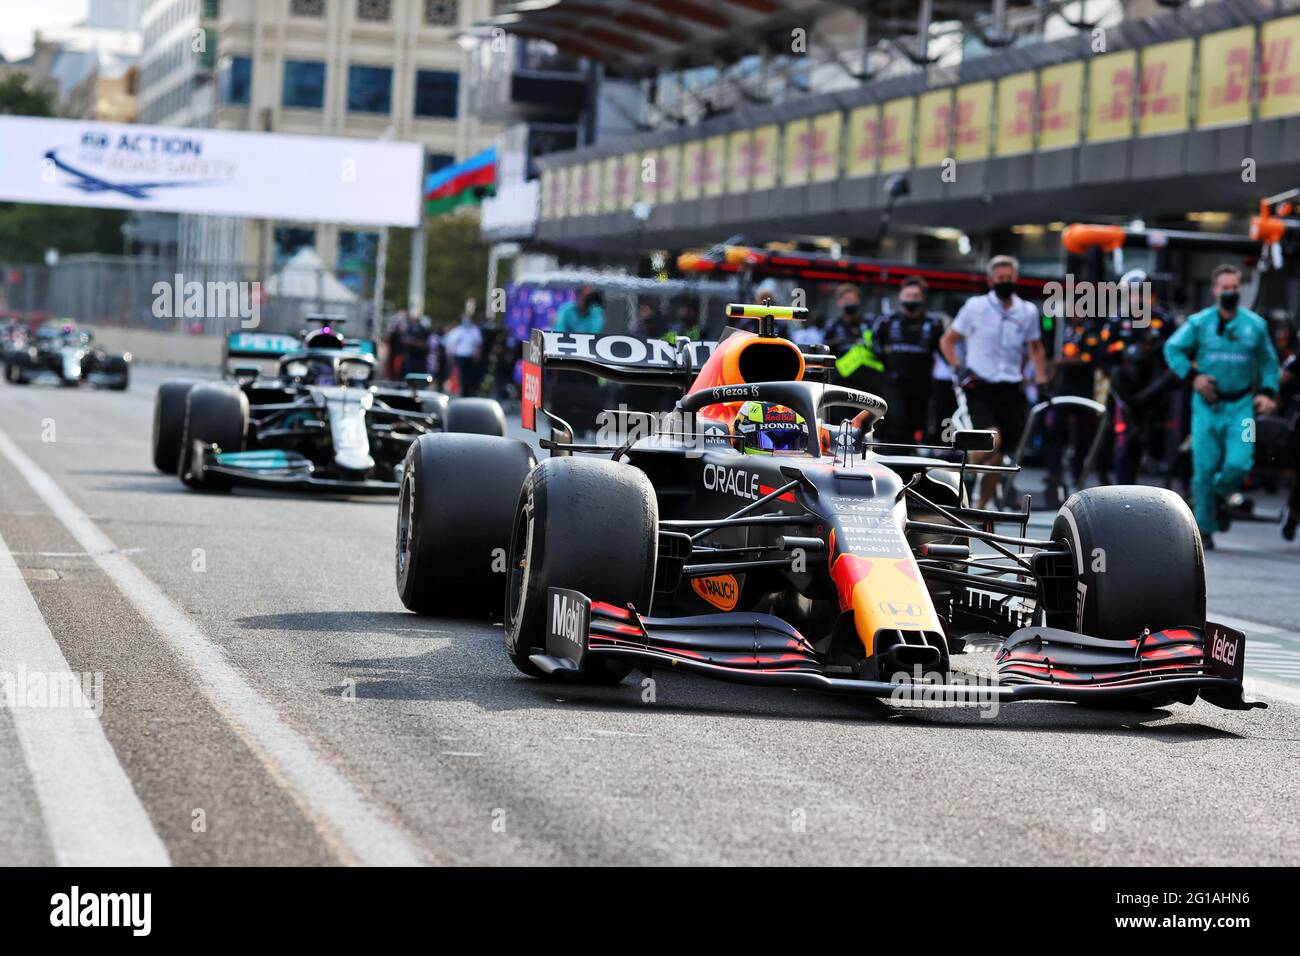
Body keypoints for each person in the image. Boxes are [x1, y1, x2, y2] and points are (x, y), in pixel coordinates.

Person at [1163, 264, 1280, 549]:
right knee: (1203, 468)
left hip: (1243, 408)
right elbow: (1172, 349)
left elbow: (1269, 363)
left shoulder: (1256, 326)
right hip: (1206, 406)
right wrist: (1194, 377)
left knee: (1242, 463)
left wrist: (1268, 392)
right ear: (1215, 290)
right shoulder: (1199, 323)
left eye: (1234, 288)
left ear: (1240, 289)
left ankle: (1218, 494)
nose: (1230, 292)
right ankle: (1205, 529)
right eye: (1224, 288)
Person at [940, 255, 1050, 509]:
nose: (1004, 282)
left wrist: (1042, 383)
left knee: (998, 458)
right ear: (990, 280)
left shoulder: (1028, 311)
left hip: (1011, 388)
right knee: (993, 440)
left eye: (1009, 278)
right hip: (980, 384)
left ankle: (979, 508)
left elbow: (1036, 348)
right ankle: (955, 469)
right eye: (1000, 278)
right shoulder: (975, 307)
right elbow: (948, 340)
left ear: (1015, 278)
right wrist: (959, 369)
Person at [872, 276, 945, 446]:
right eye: (907, 295)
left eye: (915, 296)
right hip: (894, 382)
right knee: (897, 423)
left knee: (920, 426)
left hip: (923, 384)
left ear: (922, 298)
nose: (911, 299)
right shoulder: (886, 321)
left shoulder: (934, 323)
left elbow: (943, 351)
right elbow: (875, 346)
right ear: (900, 297)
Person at [825, 284, 884, 422]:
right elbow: (826, 351)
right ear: (839, 303)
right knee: (843, 417)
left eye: (852, 299)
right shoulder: (832, 326)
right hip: (843, 380)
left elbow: (881, 347)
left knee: (870, 417)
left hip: (870, 380)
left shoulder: (871, 322)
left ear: (859, 301)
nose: (849, 303)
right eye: (846, 300)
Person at [444, 302, 484, 397]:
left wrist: (477, 355)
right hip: (460, 356)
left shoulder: (475, 330)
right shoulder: (458, 330)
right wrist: (451, 356)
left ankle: (470, 392)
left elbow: (478, 344)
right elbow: (452, 344)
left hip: (470, 357)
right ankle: (462, 392)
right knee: (461, 376)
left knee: (470, 376)